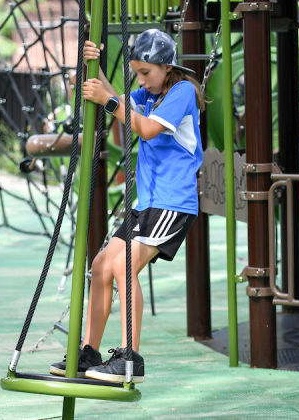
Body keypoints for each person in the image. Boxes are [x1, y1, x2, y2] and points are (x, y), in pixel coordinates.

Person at [50, 29, 205, 383]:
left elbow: (146, 129)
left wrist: (107, 100)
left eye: (146, 72)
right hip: (147, 202)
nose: (141, 79)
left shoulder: (181, 92)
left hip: (172, 203)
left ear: (167, 68)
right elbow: (114, 97)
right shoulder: (147, 94)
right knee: (102, 265)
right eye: (137, 72)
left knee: (123, 266)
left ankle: (129, 358)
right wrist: (94, 64)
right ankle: (89, 351)